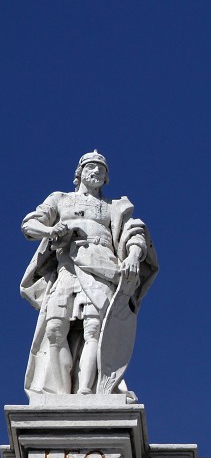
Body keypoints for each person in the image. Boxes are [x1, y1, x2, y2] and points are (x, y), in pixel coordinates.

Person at [20, 150, 158, 398]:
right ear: (79, 172)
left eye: (101, 170)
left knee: (94, 329)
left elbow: (135, 233)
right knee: (55, 330)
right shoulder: (60, 199)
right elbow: (29, 225)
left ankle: (87, 390)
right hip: (67, 268)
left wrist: (133, 256)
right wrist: (51, 230)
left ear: (106, 178)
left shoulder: (114, 207)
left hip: (102, 267)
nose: (95, 172)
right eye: (90, 167)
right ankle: (59, 393)